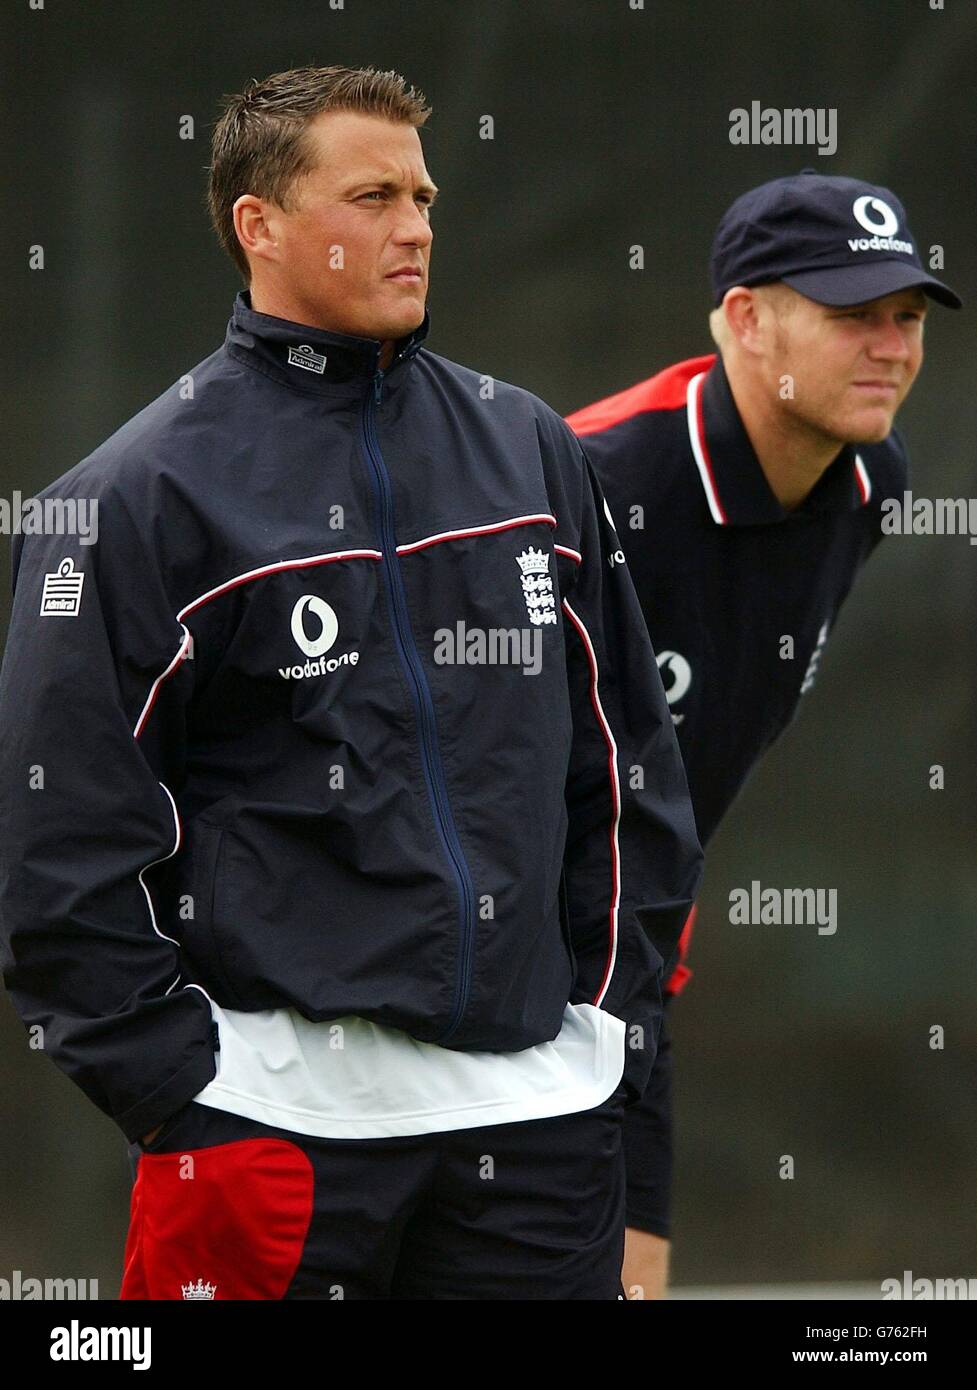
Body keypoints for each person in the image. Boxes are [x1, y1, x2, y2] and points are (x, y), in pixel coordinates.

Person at [0, 64, 702, 1301]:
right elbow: (57, 839)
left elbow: (624, 761)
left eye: (423, 195)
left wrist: (606, 1032)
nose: (416, 226)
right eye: (371, 195)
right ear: (256, 226)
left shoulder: (529, 446)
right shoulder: (126, 501)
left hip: (539, 1132)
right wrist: (183, 1088)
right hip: (269, 1135)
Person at [565, 170, 961, 1299]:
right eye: (849, 315)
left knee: (631, 1279)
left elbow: (653, 841)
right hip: (452, 994)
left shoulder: (869, 479)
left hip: (620, 976)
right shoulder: (582, 491)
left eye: (907, 317)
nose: (890, 346)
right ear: (743, 319)